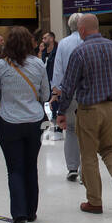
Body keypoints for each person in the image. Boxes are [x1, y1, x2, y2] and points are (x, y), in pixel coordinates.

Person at [55, 13, 112, 213]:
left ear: (81, 30)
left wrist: (61, 111)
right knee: (109, 148)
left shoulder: (79, 52)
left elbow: (69, 86)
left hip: (89, 109)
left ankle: (94, 201)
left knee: (88, 155)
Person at [0, 26, 51, 223]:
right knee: (31, 166)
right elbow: (46, 94)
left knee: (15, 169)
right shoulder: (39, 64)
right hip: (34, 122)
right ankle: (31, 211)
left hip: (9, 122)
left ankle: (19, 214)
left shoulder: (2, 65)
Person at [50, 13, 84, 181]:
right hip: (89, 94)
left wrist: (56, 92)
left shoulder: (63, 44)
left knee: (71, 130)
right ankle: (86, 169)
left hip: (68, 93)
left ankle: (72, 167)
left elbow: (58, 69)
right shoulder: (89, 41)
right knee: (87, 131)